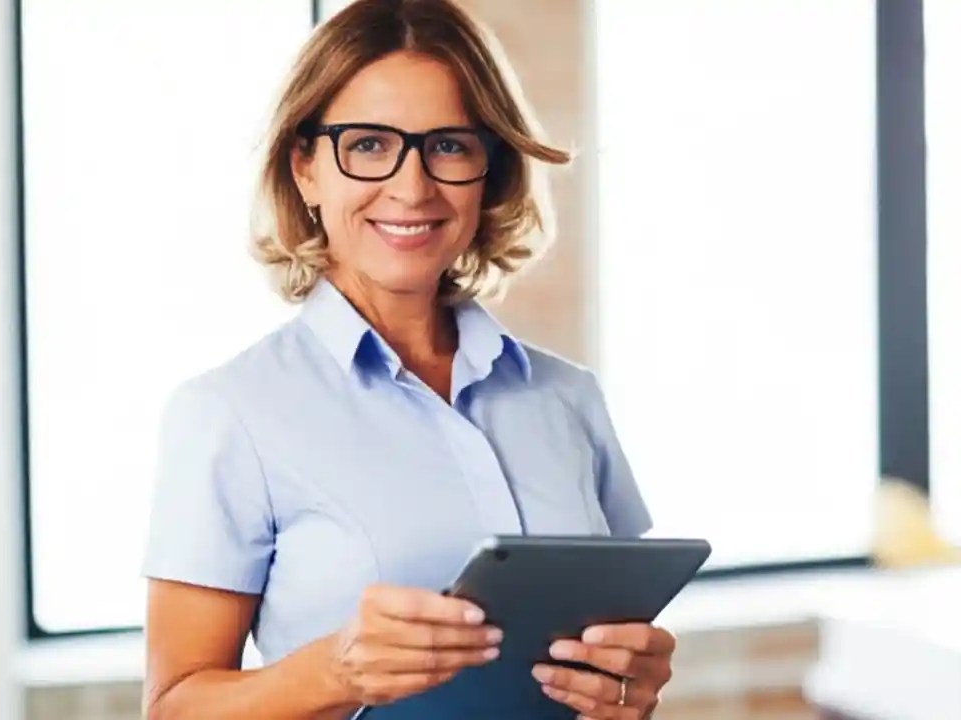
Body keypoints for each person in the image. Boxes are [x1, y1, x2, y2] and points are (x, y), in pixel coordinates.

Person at [141, 0, 677, 717]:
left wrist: (627, 686)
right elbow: (174, 706)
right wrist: (336, 671)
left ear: (489, 170)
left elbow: (612, 656)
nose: (412, 186)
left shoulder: (567, 398)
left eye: (449, 145)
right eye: (367, 145)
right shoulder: (230, 414)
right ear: (305, 169)